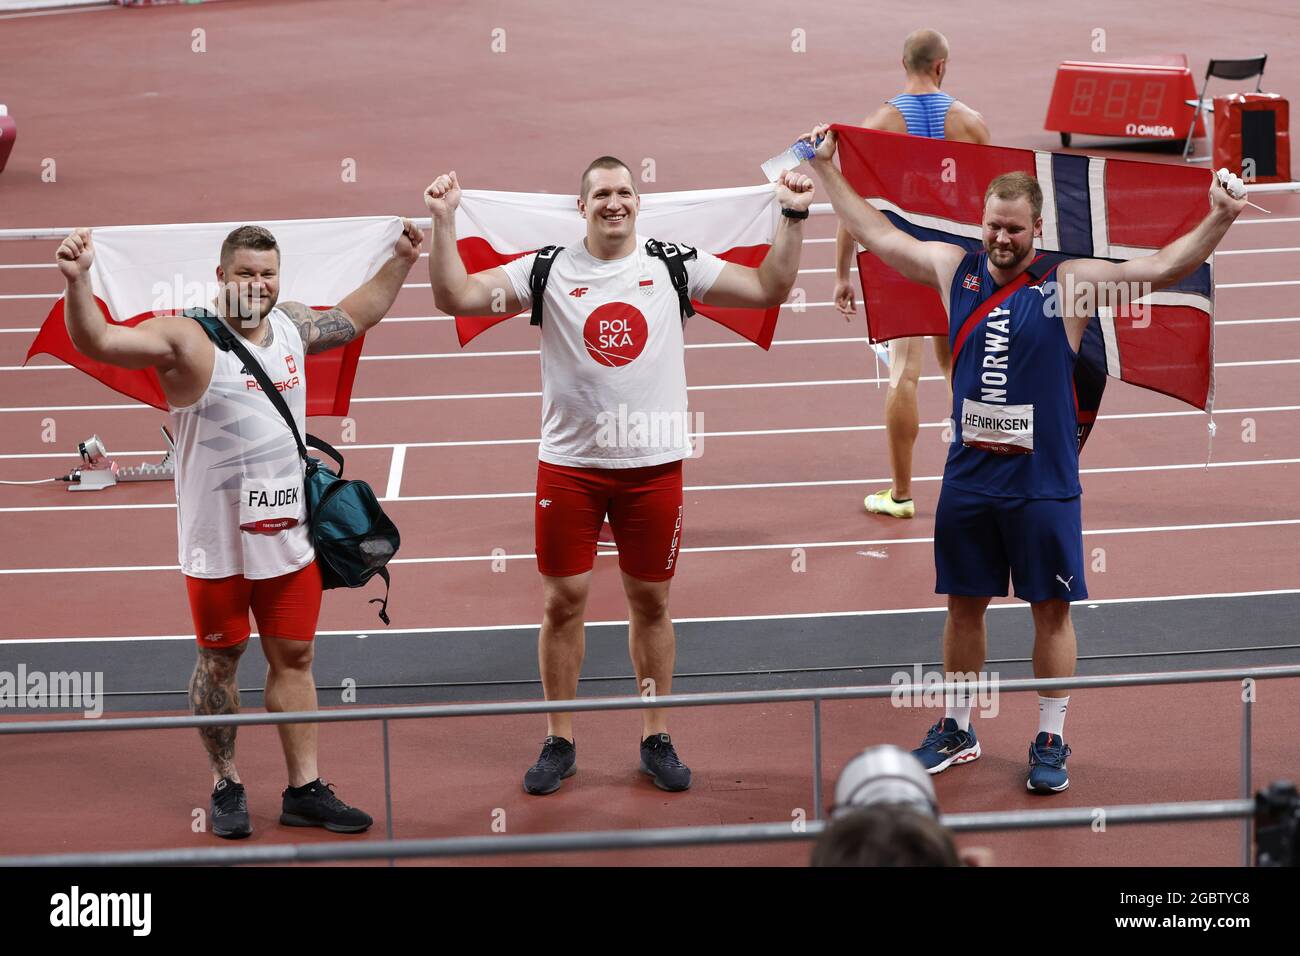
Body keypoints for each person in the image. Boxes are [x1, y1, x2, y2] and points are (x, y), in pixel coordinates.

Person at [805, 124, 1246, 793]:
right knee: (962, 606)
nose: (1002, 239)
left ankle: (1050, 735)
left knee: (1051, 611)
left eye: (1014, 229)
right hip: (970, 480)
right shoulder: (956, 268)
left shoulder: (1069, 284)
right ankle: (957, 727)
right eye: (992, 227)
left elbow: (1160, 269)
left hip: (1043, 484)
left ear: (1035, 228)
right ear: (980, 223)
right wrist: (827, 170)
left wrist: (1220, 214)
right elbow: (879, 235)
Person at [425, 159, 813, 794]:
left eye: (625, 192)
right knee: (561, 603)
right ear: (581, 207)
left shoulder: (673, 264)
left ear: (640, 203)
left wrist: (793, 215)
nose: (614, 203)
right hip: (571, 469)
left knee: (652, 603)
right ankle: (559, 739)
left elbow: (769, 287)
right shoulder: (545, 269)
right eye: (601, 193)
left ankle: (655, 735)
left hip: (653, 468)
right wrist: (443, 221)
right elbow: (455, 298)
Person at [56, 219, 424, 837]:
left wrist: (405, 259)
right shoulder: (187, 339)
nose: (258, 284)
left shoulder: (292, 326)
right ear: (221, 276)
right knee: (219, 662)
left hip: (287, 539)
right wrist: (79, 280)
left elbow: (358, 314)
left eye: (268, 273)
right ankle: (226, 781)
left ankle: (304, 789)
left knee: (297, 656)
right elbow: (99, 341)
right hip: (218, 547)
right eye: (246, 273)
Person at [833, 28, 989, 519]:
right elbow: (997, 202)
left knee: (905, 372)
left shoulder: (877, 124)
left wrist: (842, 273)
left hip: (900, 260)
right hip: (957, 260)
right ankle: (984, 476)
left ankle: (901, 495)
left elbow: (852, 207)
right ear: (941, 66)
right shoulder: (971, 123)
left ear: (905, 65)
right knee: (959, 368)